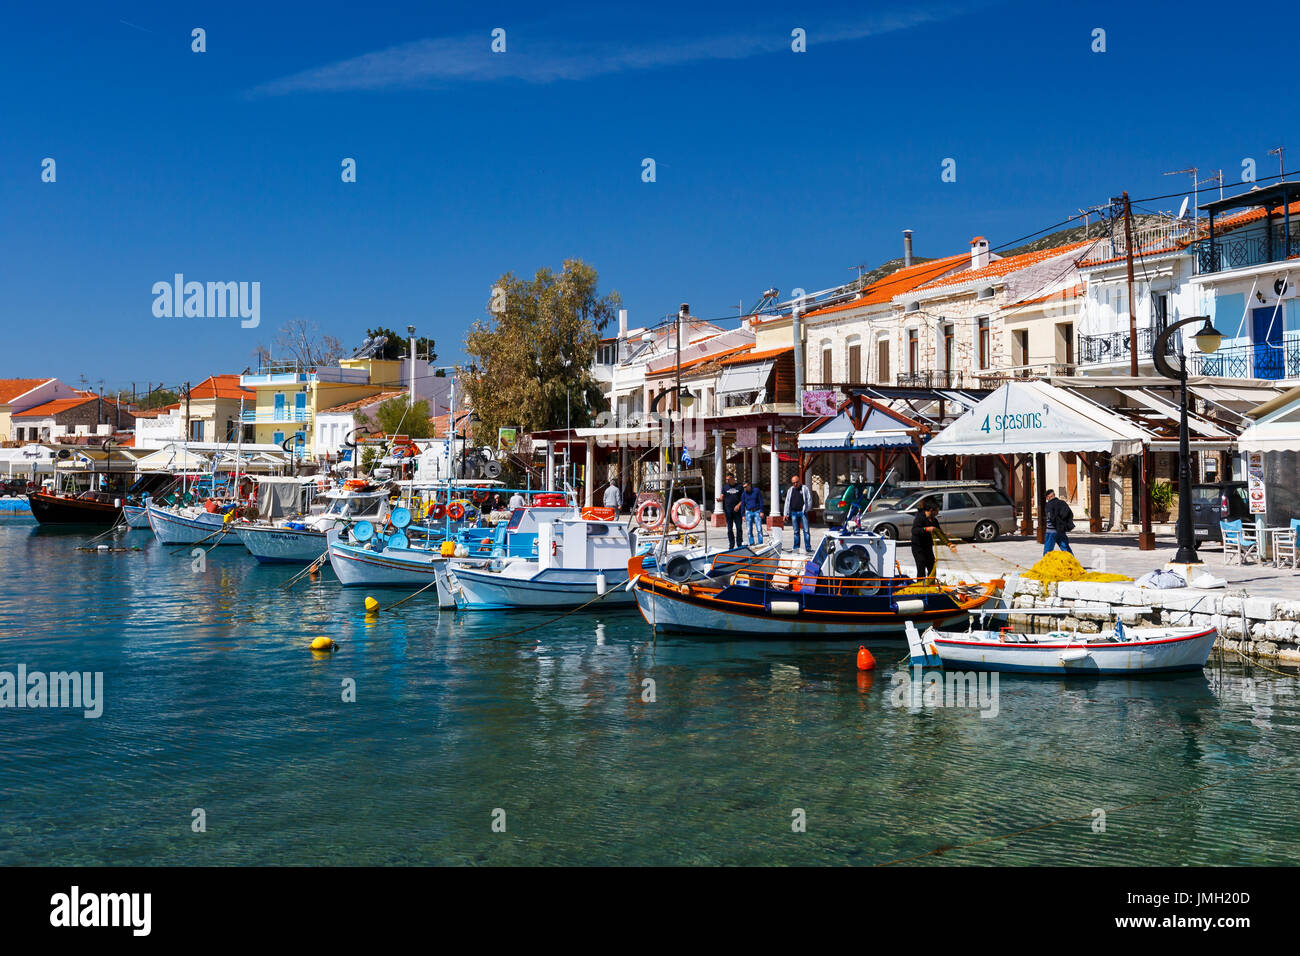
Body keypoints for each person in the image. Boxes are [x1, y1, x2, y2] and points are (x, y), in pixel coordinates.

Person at [911, 499, 956, 579]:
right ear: (931, 510)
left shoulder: (934, 520)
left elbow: (940, 533)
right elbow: (914, 530)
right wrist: (926, 529)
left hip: (928, 547)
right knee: (921, 567)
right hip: (918, 548)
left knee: (932, 567)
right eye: (937, 511)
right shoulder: (920, 518)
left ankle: (931, 585)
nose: (938, 513)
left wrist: (949, 544)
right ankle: (920, 587)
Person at [782, 474, 813, 553]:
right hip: (794, 513)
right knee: (796, 532)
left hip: (803, 513)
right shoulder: (790, 490)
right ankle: (796, 548)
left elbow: (809, 500)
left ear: (799, 481)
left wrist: (806, 509)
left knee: (806, 531)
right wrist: (786, 514)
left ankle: (808, 548)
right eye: (793, 483)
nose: (795, 484)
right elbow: (787, 502)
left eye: (796, 482)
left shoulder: (804, 488)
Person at [1044, 489, 1075, 554]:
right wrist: (1062, 524)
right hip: (1061, 530)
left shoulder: (1049, 505)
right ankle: (1071, 562)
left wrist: (1056, 524)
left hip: (1051, 531)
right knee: (1066, 549)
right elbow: (1070, 514)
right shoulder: (1063, 503)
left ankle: (1046, 564)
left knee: (1048, 551)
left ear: (1048, 497)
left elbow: (1050, 517)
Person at [720, 473, 744, 549]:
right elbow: (722, 496)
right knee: (729, 529)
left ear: (733, 479)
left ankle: (739, 543)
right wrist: (719, 499)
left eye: (728, 479)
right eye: (726, 479)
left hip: (737, 511)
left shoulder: (739, 487)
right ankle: (731, 544)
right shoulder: (725, 487)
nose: (727, 481)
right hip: (728, 511)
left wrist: (738, 505)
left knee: (739, 528)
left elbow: (743, 499)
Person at [740, 480, 764, 546]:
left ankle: (760, 543)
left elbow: (761, 501)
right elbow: (742, 505)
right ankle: (751, 543)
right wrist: (743, 515)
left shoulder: (756, 491)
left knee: (759, 529)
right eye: (743, 487)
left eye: (746, 487)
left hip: (757, 511)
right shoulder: (743, 494)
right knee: (749, 530)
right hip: (748, 512)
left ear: (749, 485)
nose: (745, 488)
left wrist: (761, 511)